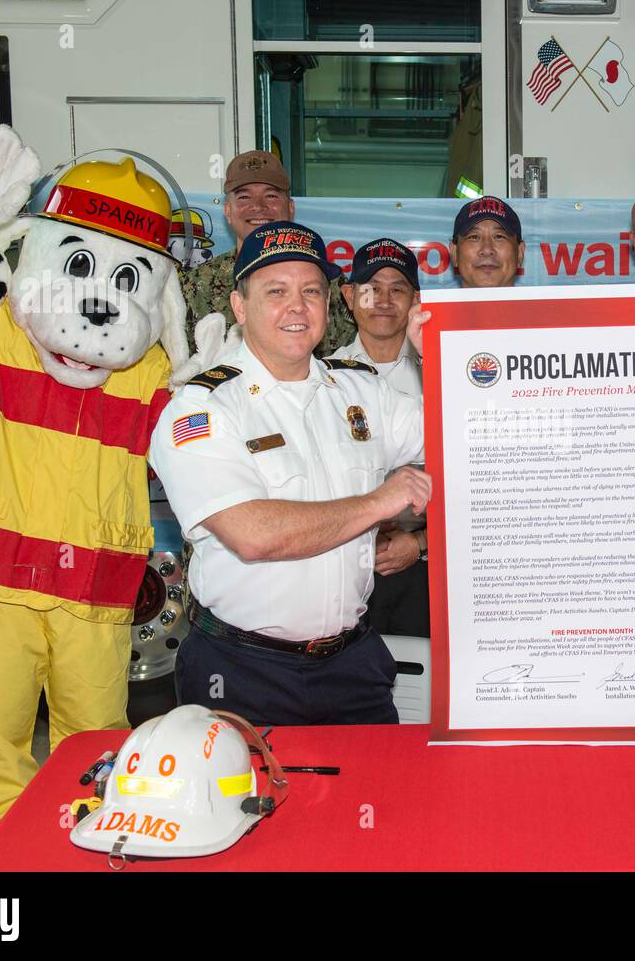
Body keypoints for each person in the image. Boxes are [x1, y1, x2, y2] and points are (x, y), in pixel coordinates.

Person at [150, 222, 431, 725]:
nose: (297, 307)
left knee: (377, 779)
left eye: (311, 291)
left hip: (352, 664)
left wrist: (439, 357)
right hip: (241, 670)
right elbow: (254, 534)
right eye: (276, 292)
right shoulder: (201, 408)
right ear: (239, 307)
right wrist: (380, 502)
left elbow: (466, 433)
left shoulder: (363, 392)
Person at [332, 238, 430, 638]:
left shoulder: (439, 371)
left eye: (398, 289)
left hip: (426, 566)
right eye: (372, 289)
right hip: (343, 566)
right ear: (349, 296)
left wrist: (419, 543)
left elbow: (475, 481)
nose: (384, 301)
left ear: (416, 300)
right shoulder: (324, 377)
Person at [178, 149, 355, 355]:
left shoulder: (331, 282)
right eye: (244, 197)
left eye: (271, 196)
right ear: (227, 211)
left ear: (291, 208)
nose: (258, 206)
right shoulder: (194, 285)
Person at [450, 195, 524, 288]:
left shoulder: (542, 298)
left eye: (499, 236)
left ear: (520, 253)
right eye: (474, 237)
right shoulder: (433, 298)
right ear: (454, 253)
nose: (487, 250)